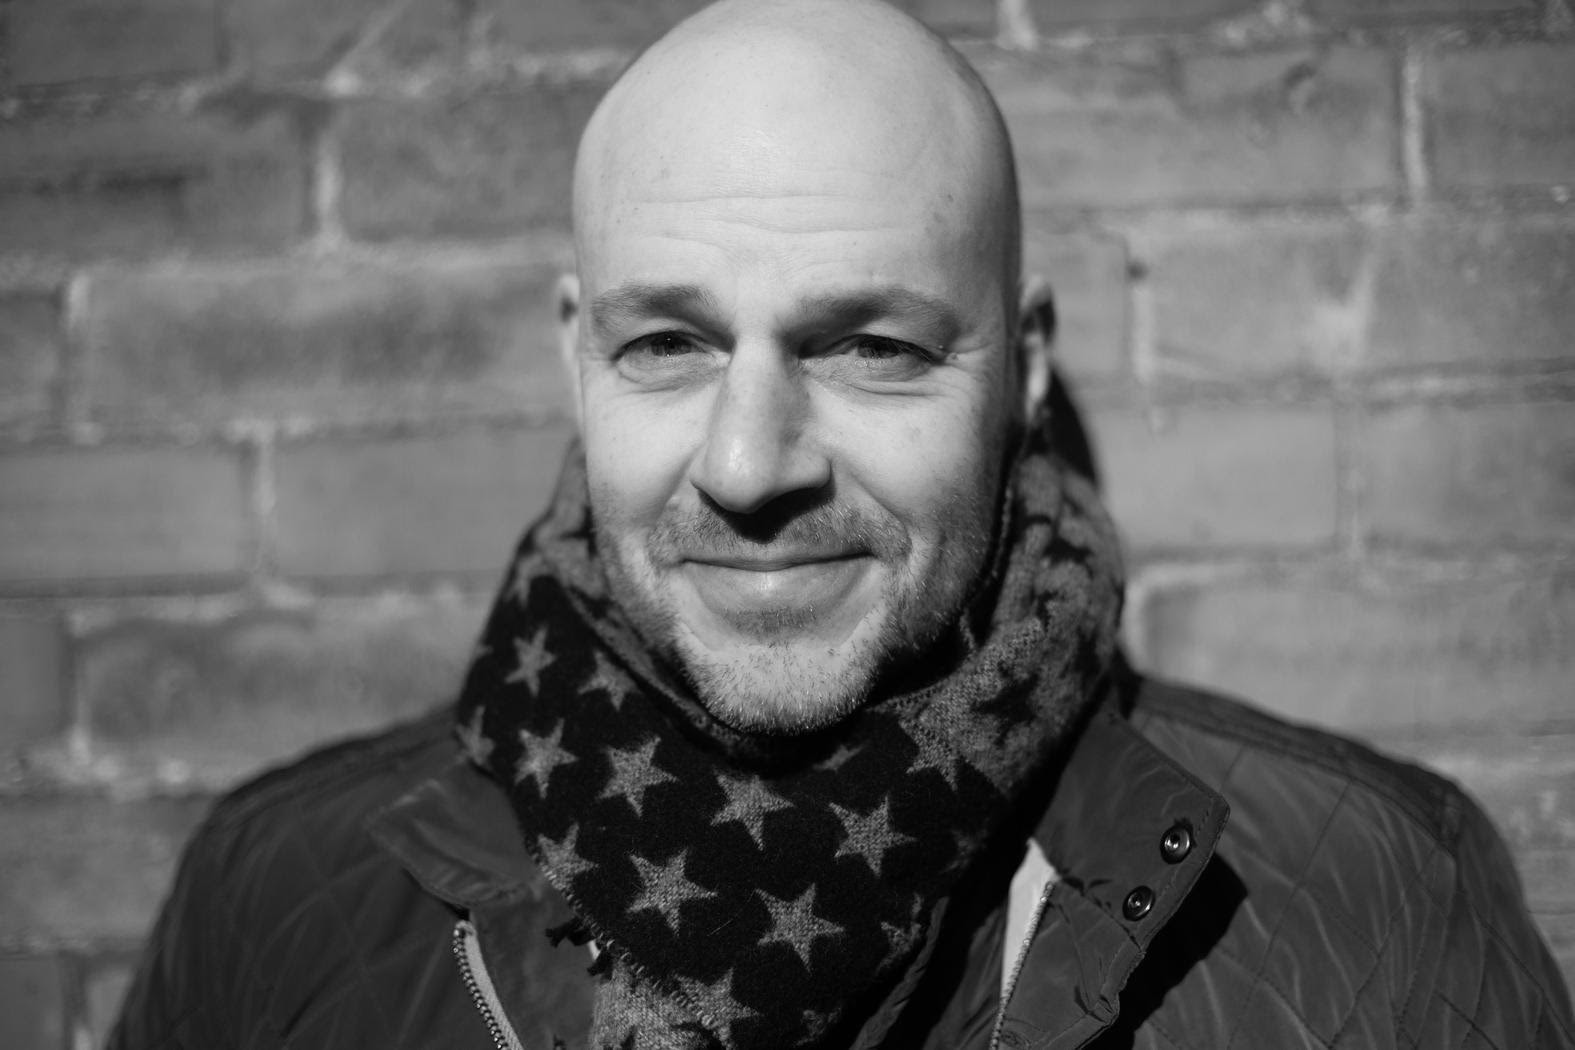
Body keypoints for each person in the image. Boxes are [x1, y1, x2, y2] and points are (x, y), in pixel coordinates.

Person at [111, 1, 1573, 1047]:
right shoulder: (277, 897)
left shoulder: (1379, 900)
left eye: (872, 346)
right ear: (575, 356)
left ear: (1026, 365)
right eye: (667, 344)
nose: (751, 468)